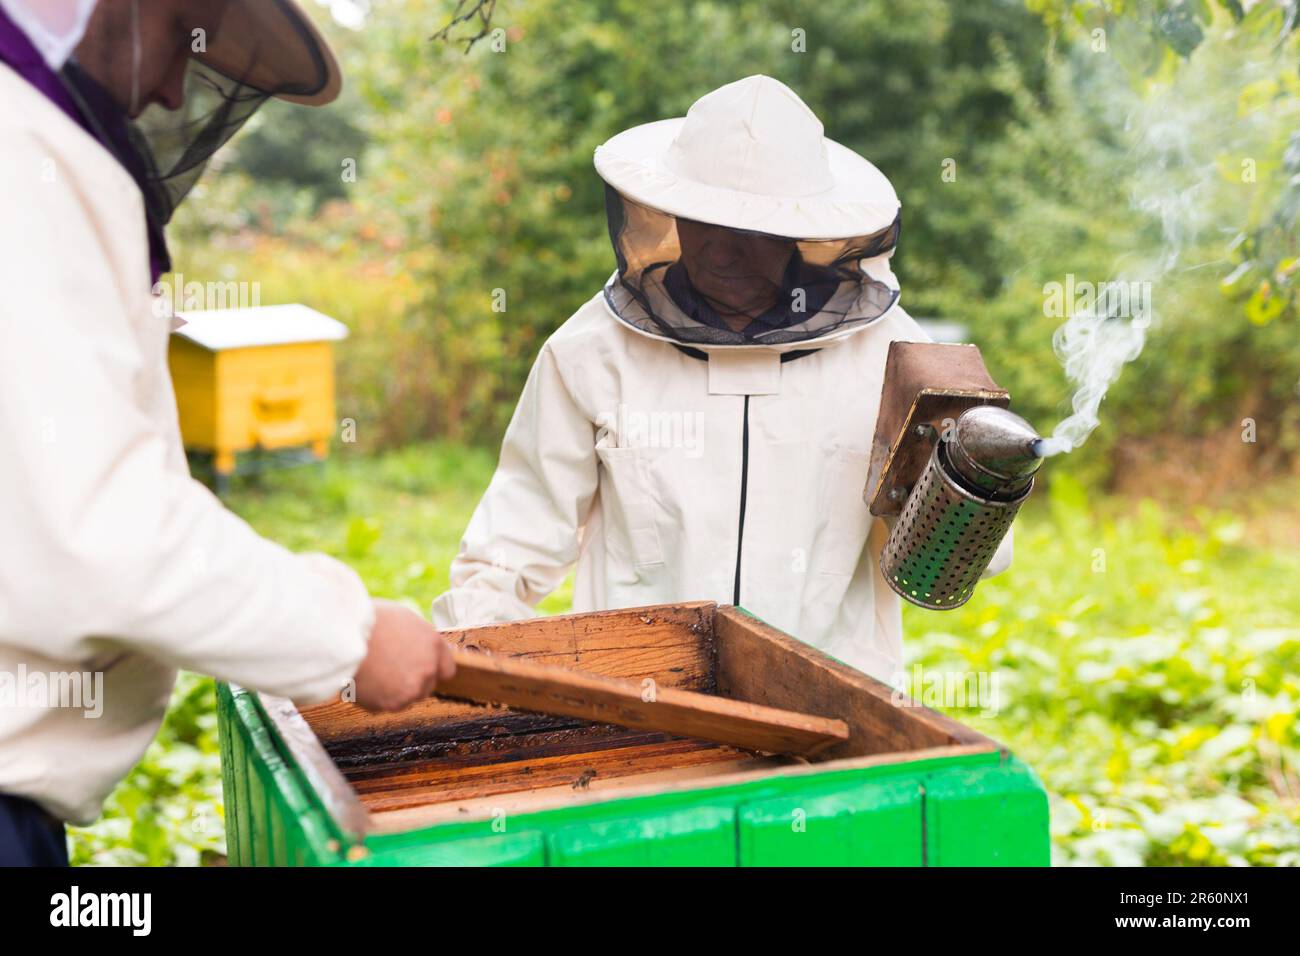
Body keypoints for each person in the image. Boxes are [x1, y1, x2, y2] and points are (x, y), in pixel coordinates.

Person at [0, 0, 454, 867]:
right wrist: (350, 636)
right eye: (181, 36)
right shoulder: (14, 152)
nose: (176, 85)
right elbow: (105, 534)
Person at [431, 75, 1012, 681]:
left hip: (836, 708)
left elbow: (968, 561)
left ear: (801, 232)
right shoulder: (590, 353)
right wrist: (468, 665)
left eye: (753, 230)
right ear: (672, 212)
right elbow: (510, 549)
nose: (723, 252)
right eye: (704, 220)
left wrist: (971, 476)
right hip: (642, 708)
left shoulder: (897, 354)